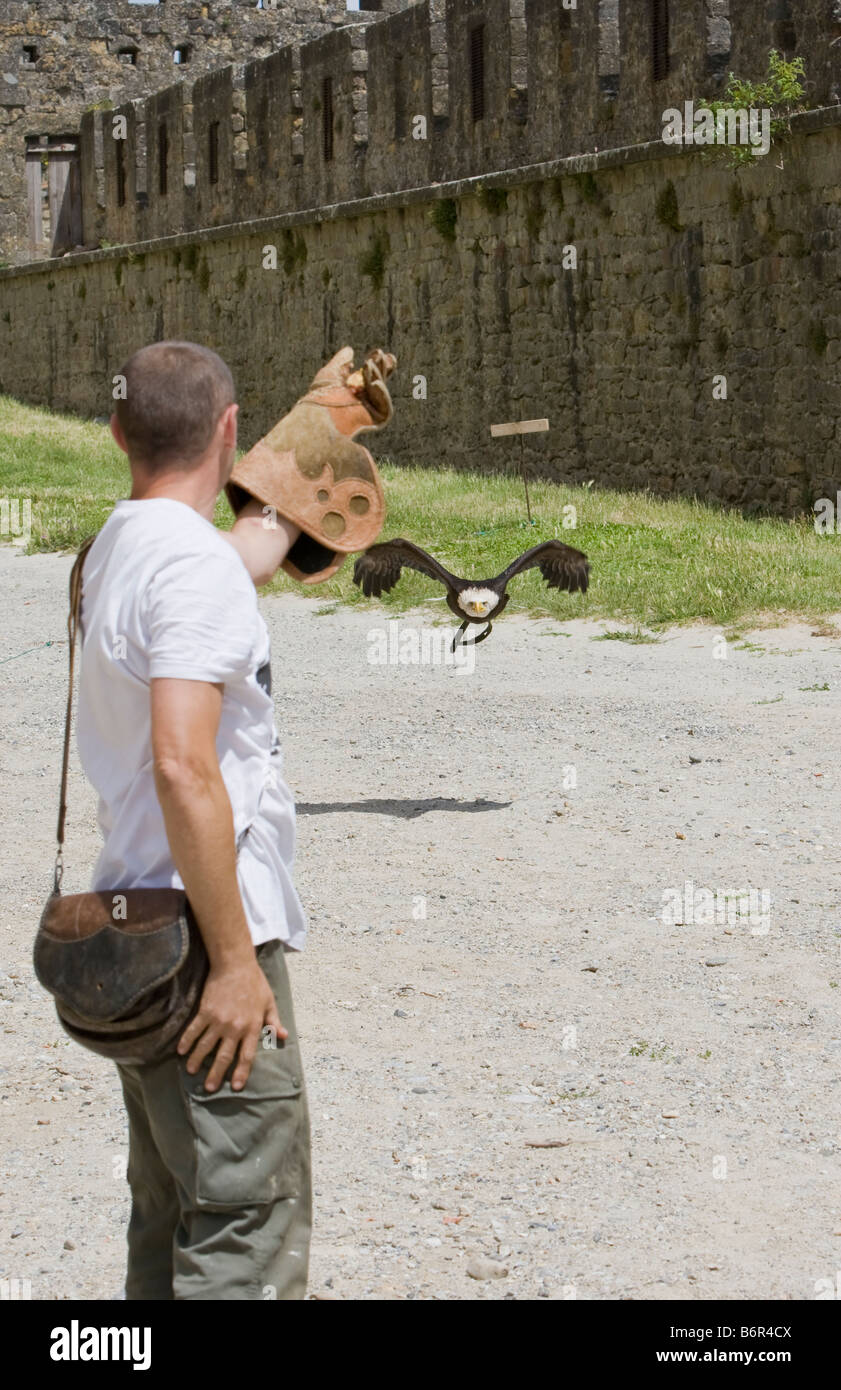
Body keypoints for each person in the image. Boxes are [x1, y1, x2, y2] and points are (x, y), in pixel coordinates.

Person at [77, 340, 309, 1300]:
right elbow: (183, 765)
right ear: (227, 430)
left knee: (171, 1203)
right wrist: (234, 964)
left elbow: (222, 564)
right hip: (203, 937)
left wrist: (314, 435)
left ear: (117, 433)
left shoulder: (115, 547)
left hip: (132, 924)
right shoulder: (192, 572)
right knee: (246, 1218)